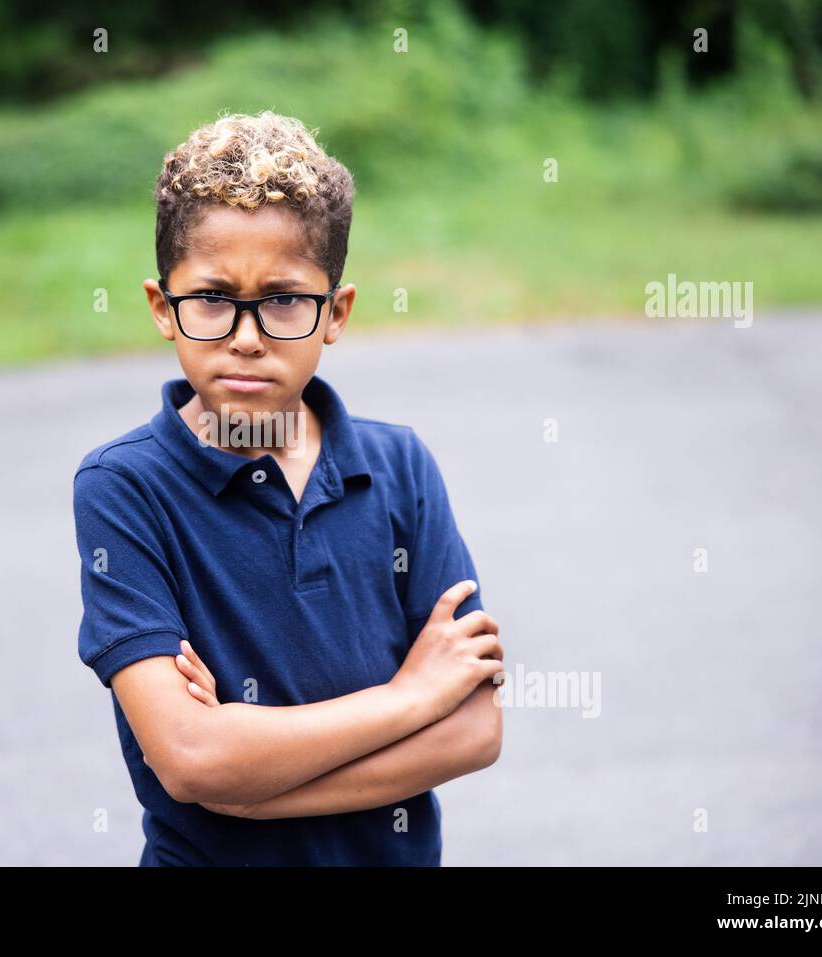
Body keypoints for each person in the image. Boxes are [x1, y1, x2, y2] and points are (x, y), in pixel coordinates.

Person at [72, 110, 504, 866]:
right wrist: (407, 698)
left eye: (282, 300)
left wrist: (247, 782)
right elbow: (191, 758)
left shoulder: (400, 467)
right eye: (210, 298)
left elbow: (473, 730)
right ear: (161, 308)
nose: (246, 335)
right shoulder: (125, 487)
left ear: (335, 312)